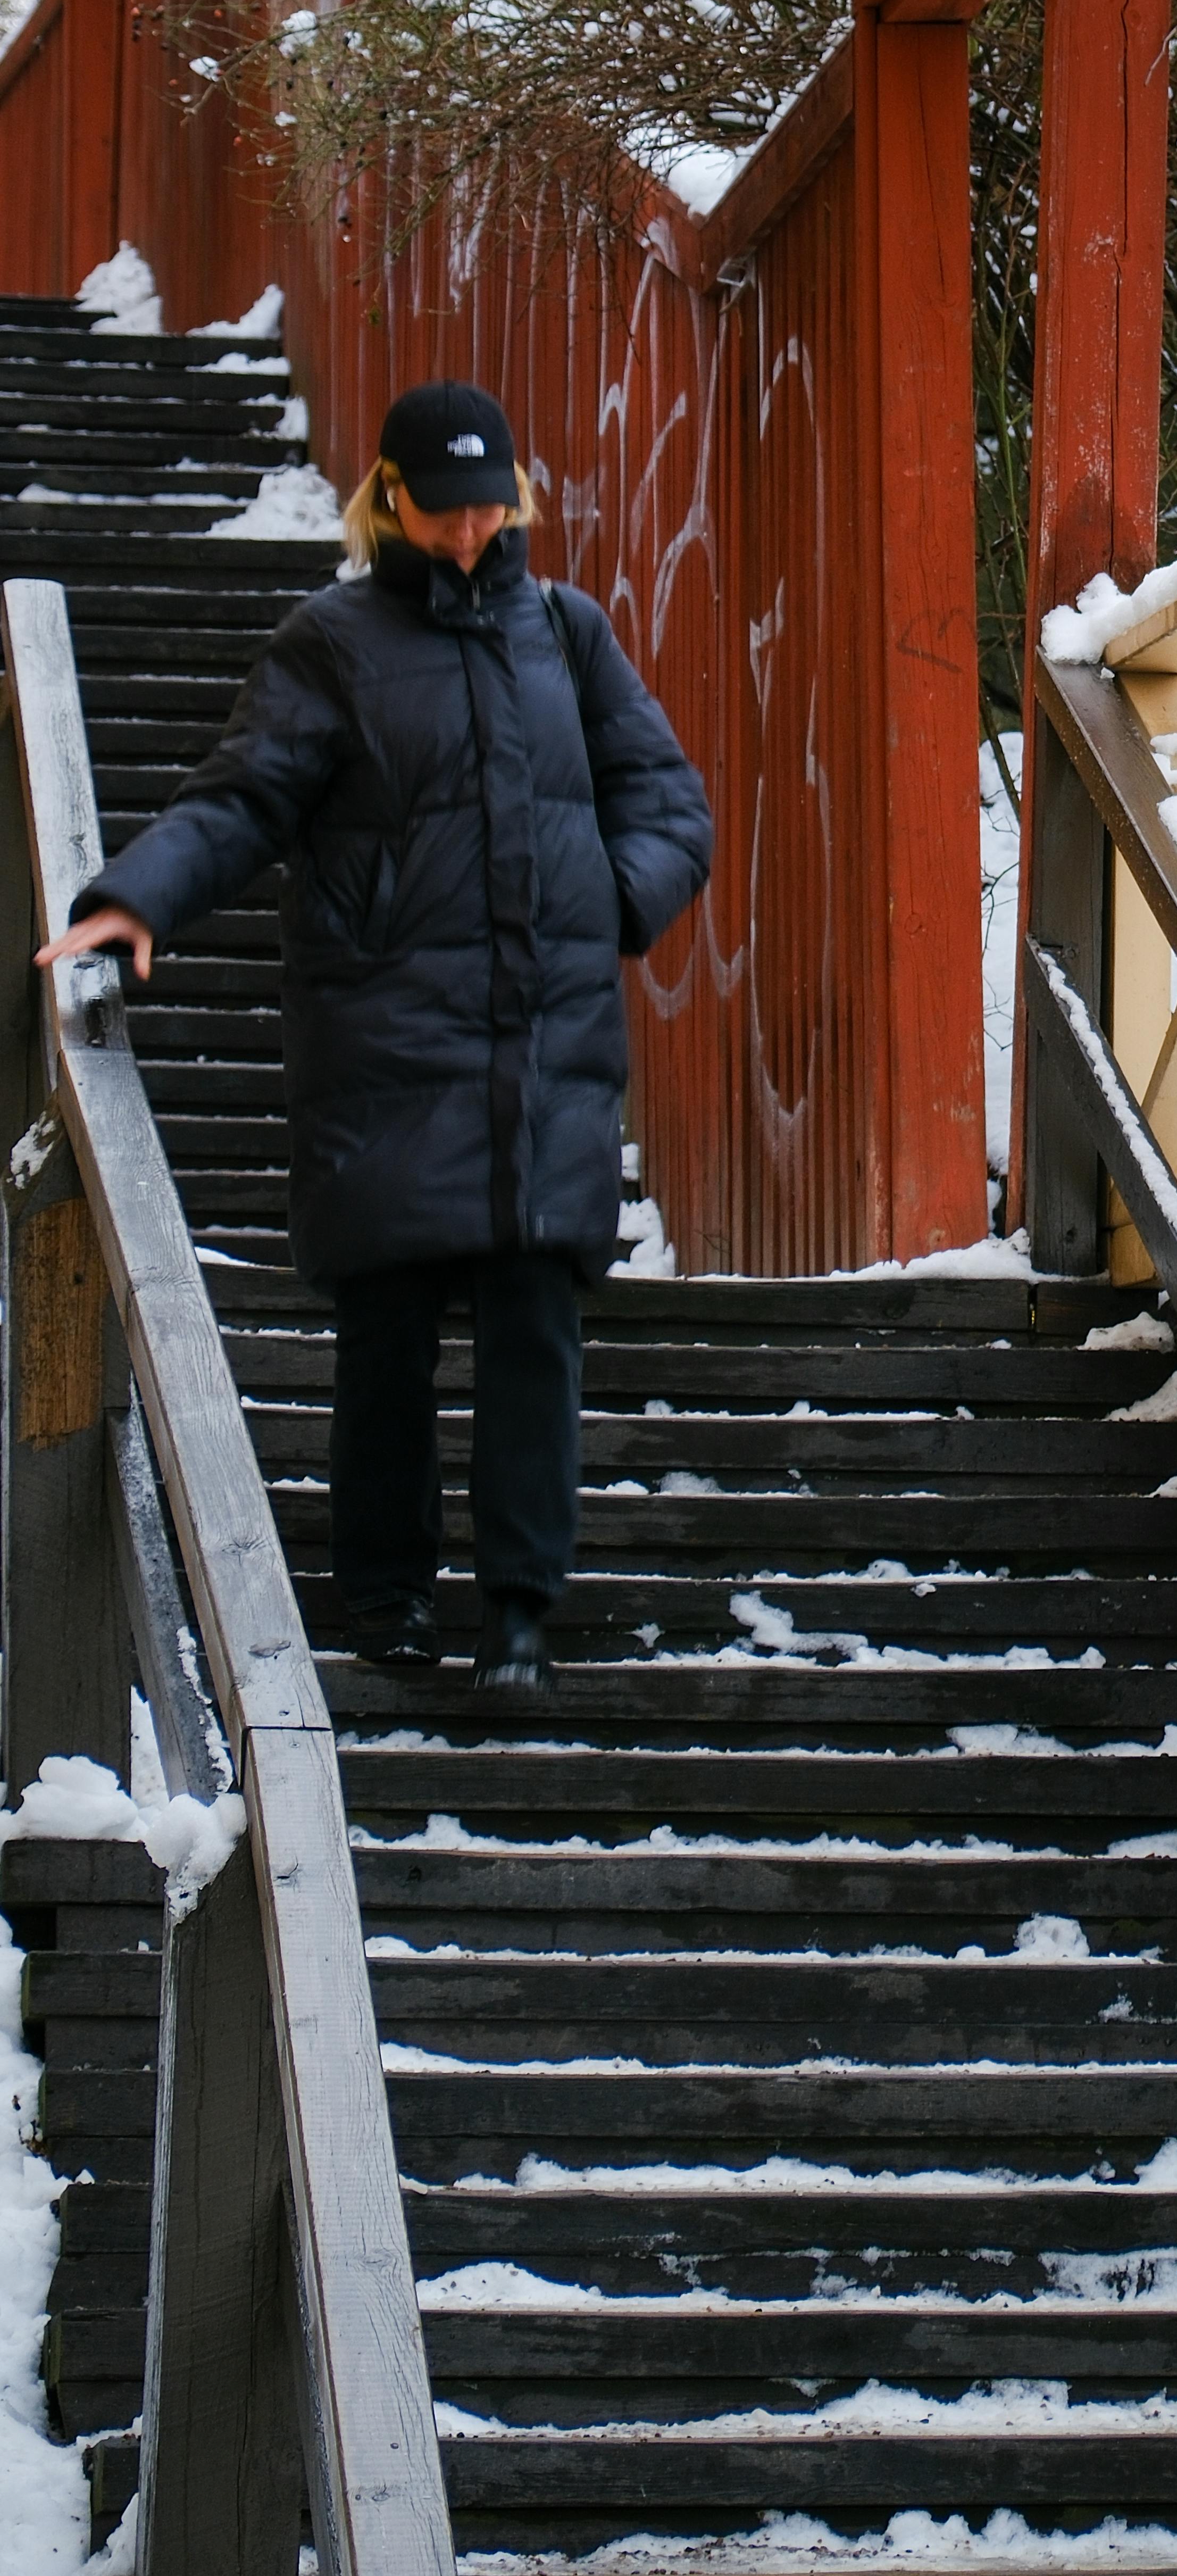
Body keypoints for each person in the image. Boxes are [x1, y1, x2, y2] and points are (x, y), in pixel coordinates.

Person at [36, 380, 713, 1696]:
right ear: (388, 498)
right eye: (443, 511)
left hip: (541, 1040)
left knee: (533, 1326)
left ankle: (520, 1608)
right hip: (387, 1039)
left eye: (489, 510)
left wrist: (610, 901)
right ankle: (389, 1597)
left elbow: (668, 799)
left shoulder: (567, 636)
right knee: (387, 1335)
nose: (469, 536)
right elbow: (240, 801)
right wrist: (133, 898)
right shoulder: (328, 647)